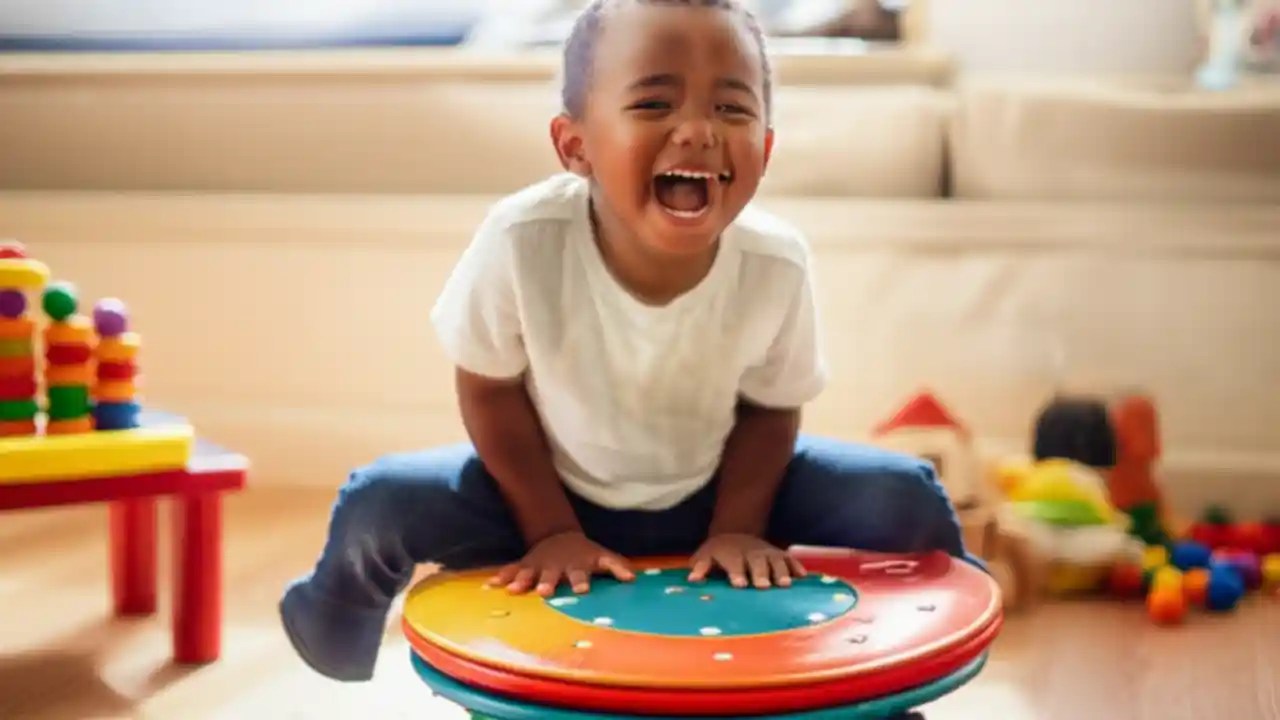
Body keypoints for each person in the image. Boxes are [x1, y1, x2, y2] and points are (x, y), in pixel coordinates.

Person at [280, 0, 975, 684]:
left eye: (731, 109)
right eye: (653, 105)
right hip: (545, 491)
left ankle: (914, 665)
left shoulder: (775, 262)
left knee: (903, 492)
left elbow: (771, 409)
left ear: (764, 148)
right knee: (380, 500)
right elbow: (489, 385)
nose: (699, 131)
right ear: (574, 145)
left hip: (718, 489)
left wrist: (738, 529)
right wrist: (551, 528)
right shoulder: (522, 238)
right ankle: (331, 625)